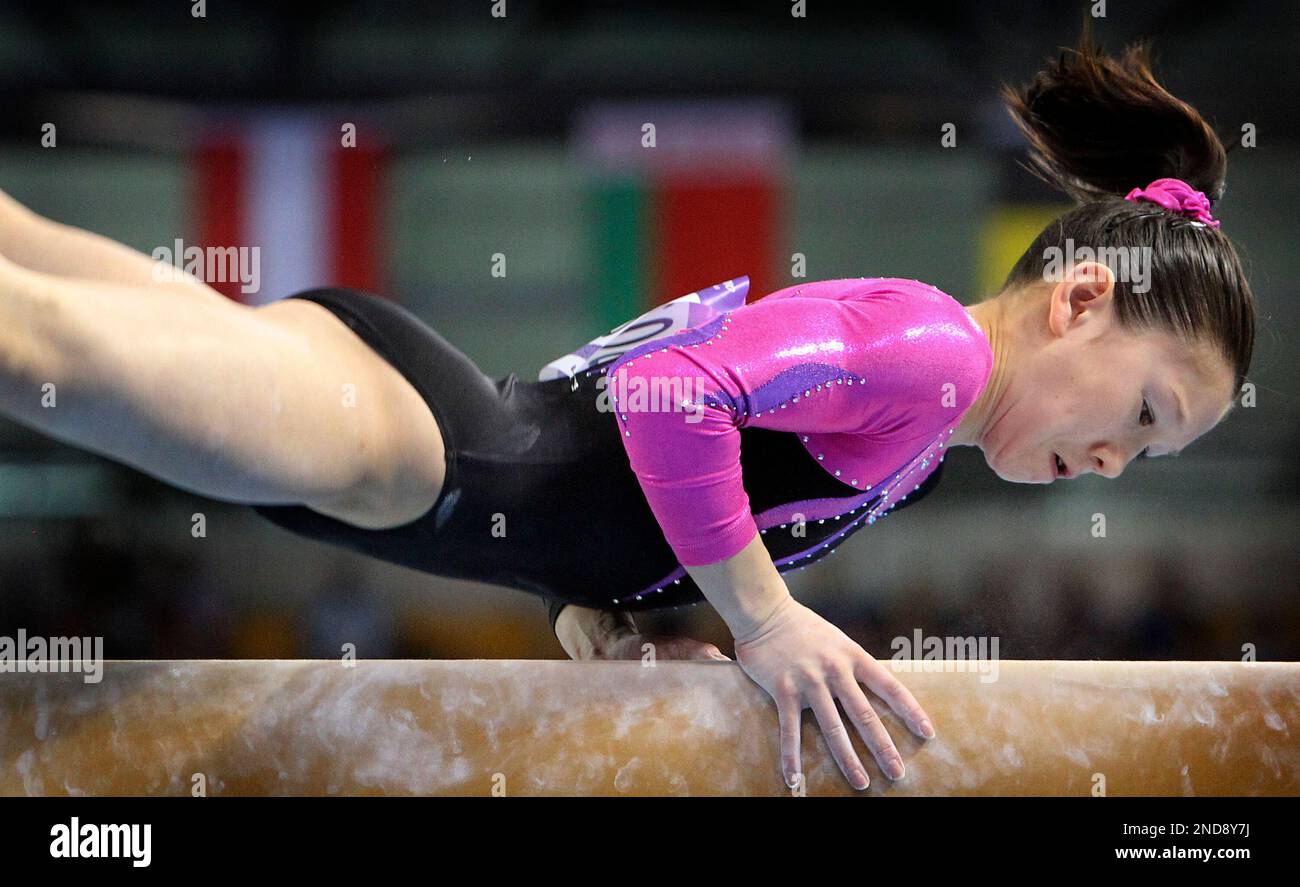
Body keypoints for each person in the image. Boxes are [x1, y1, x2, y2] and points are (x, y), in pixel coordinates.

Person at [0, 35, 1254, 792]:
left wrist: (600, 620)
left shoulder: (920, 442)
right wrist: (764, 620)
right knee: (37, 344)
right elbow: (667, 393)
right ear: (1083, 298)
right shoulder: (929, 352)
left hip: (410, 429)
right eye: (1144, 412)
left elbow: (611, 449)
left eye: (1148, 456)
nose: (1111, 460)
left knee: (43, 272)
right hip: (406, 449)